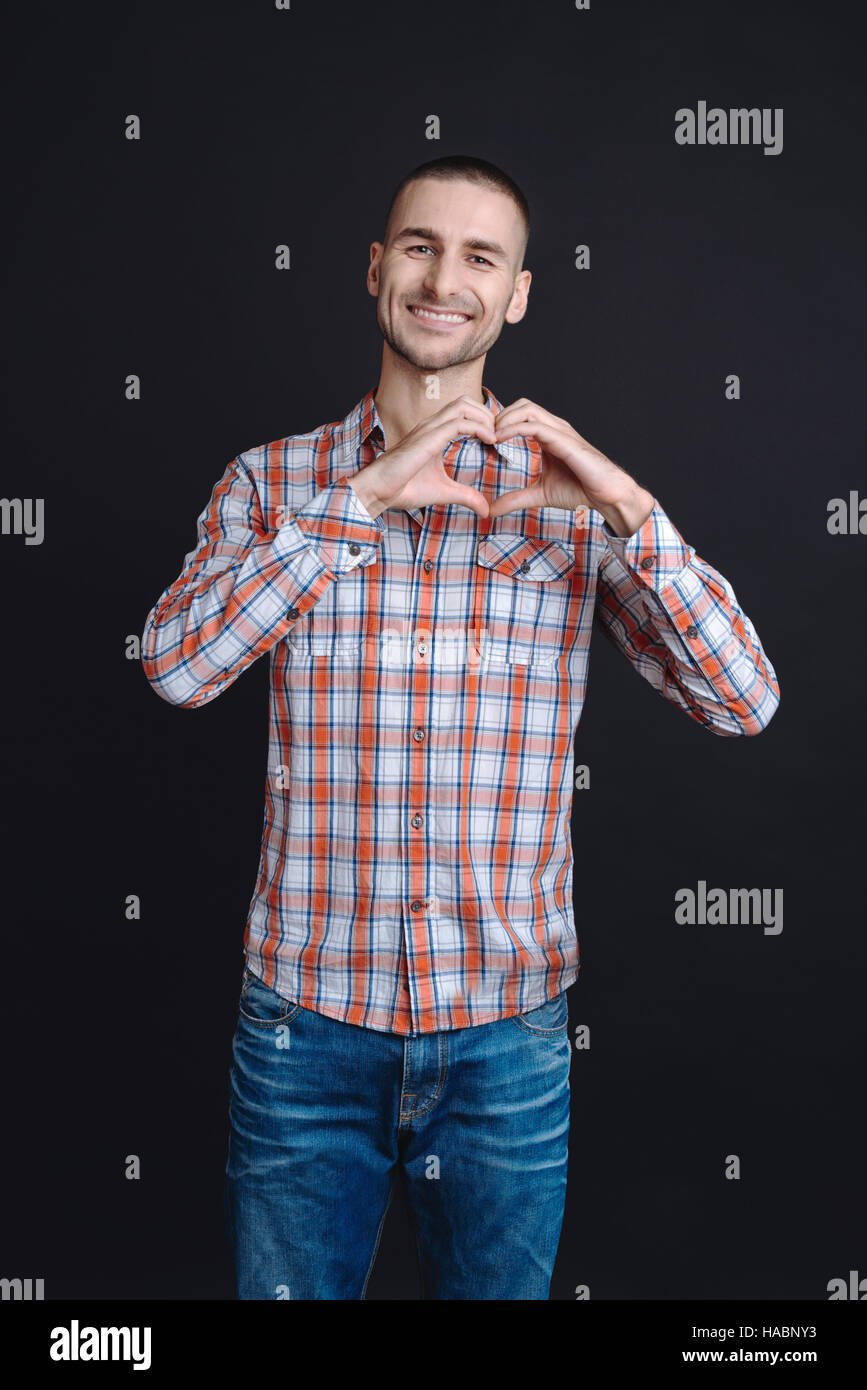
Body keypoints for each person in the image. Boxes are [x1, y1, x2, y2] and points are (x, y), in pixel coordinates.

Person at [141, 154, 780, 1300]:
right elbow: (179, 670)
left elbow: (746, 699)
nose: (446, 279)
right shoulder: (272, 482)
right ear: (377, 269)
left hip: (506, 1045)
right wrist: (364, 500)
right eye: (422, 247)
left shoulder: (572, 503)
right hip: (304, 1031)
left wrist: (634, 514)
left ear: (517, 293)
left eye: (481, 256)